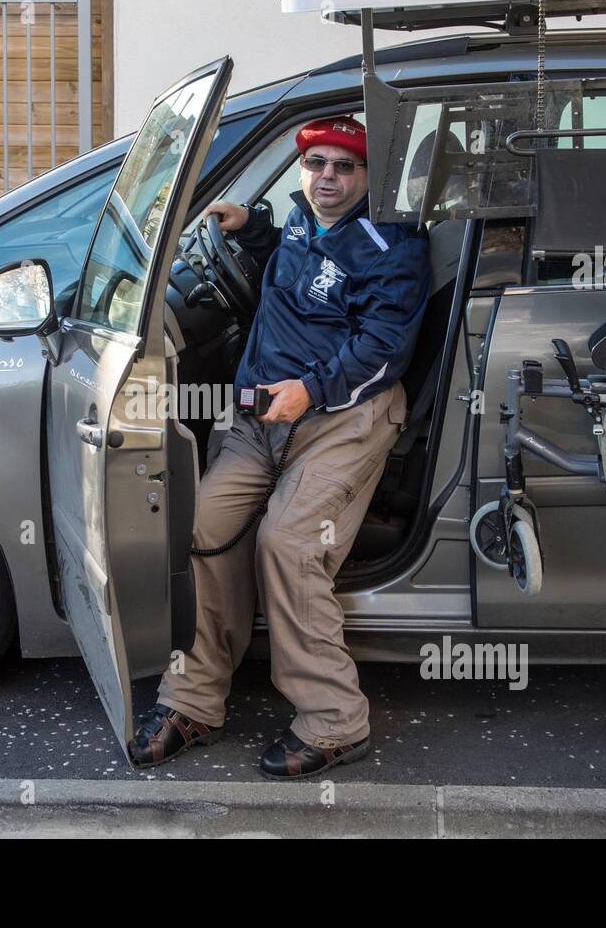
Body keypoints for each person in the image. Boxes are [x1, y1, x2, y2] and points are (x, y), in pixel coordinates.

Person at [128, 116, 431, 779]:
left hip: (344, 417)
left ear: (366, 175)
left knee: (289, 544)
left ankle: (335, 723)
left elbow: (384, 349)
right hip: (259, 417)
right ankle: (193, 702)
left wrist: (312, 391)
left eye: (343, 167)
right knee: (201, 527)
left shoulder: (393, 244)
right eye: (315, 163)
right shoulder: (298, 224)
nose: (326, 177)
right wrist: (251, 228)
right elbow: (291, 271)